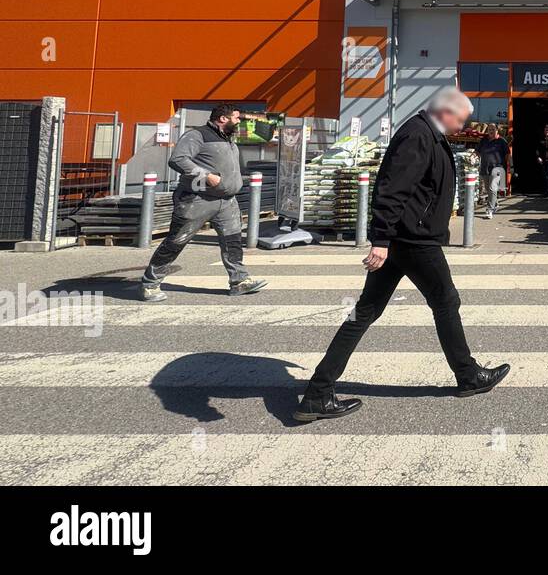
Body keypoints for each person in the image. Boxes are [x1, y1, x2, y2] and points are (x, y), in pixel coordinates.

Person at [294, 87, 510, 422]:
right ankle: (468, 375)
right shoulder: (418, 136)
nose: (461, 126)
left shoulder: (427, 133)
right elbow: (391, 187)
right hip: (412, 240)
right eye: (460, 119)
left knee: (364, 312)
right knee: (445, 301)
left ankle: (317, 394)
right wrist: (381, 238)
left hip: (403, 238)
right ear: (443, 111)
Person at [140, 103, 267, 301]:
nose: (239, 121)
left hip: (226, 202)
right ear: (223, 119)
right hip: (197, 200)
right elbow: (178, 159)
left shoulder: (228, 138)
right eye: (236, 117)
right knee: (176, 241)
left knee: (232, 241)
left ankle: (239, 281)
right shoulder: (196, 136)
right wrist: (206, 175)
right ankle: (150, 283)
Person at [478, 123, 509, 219]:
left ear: (497, 130)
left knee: (492, 188)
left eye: (492, 129)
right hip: (485, 167)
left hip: (497, 168)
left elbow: (508, 154)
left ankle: (489, 210)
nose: (490, 131)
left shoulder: (502, 141)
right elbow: (477, 151)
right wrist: (473, 157)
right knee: (488, 189)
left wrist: (509, 166)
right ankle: (495, 203)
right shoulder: (484, 140)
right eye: (489, 129)